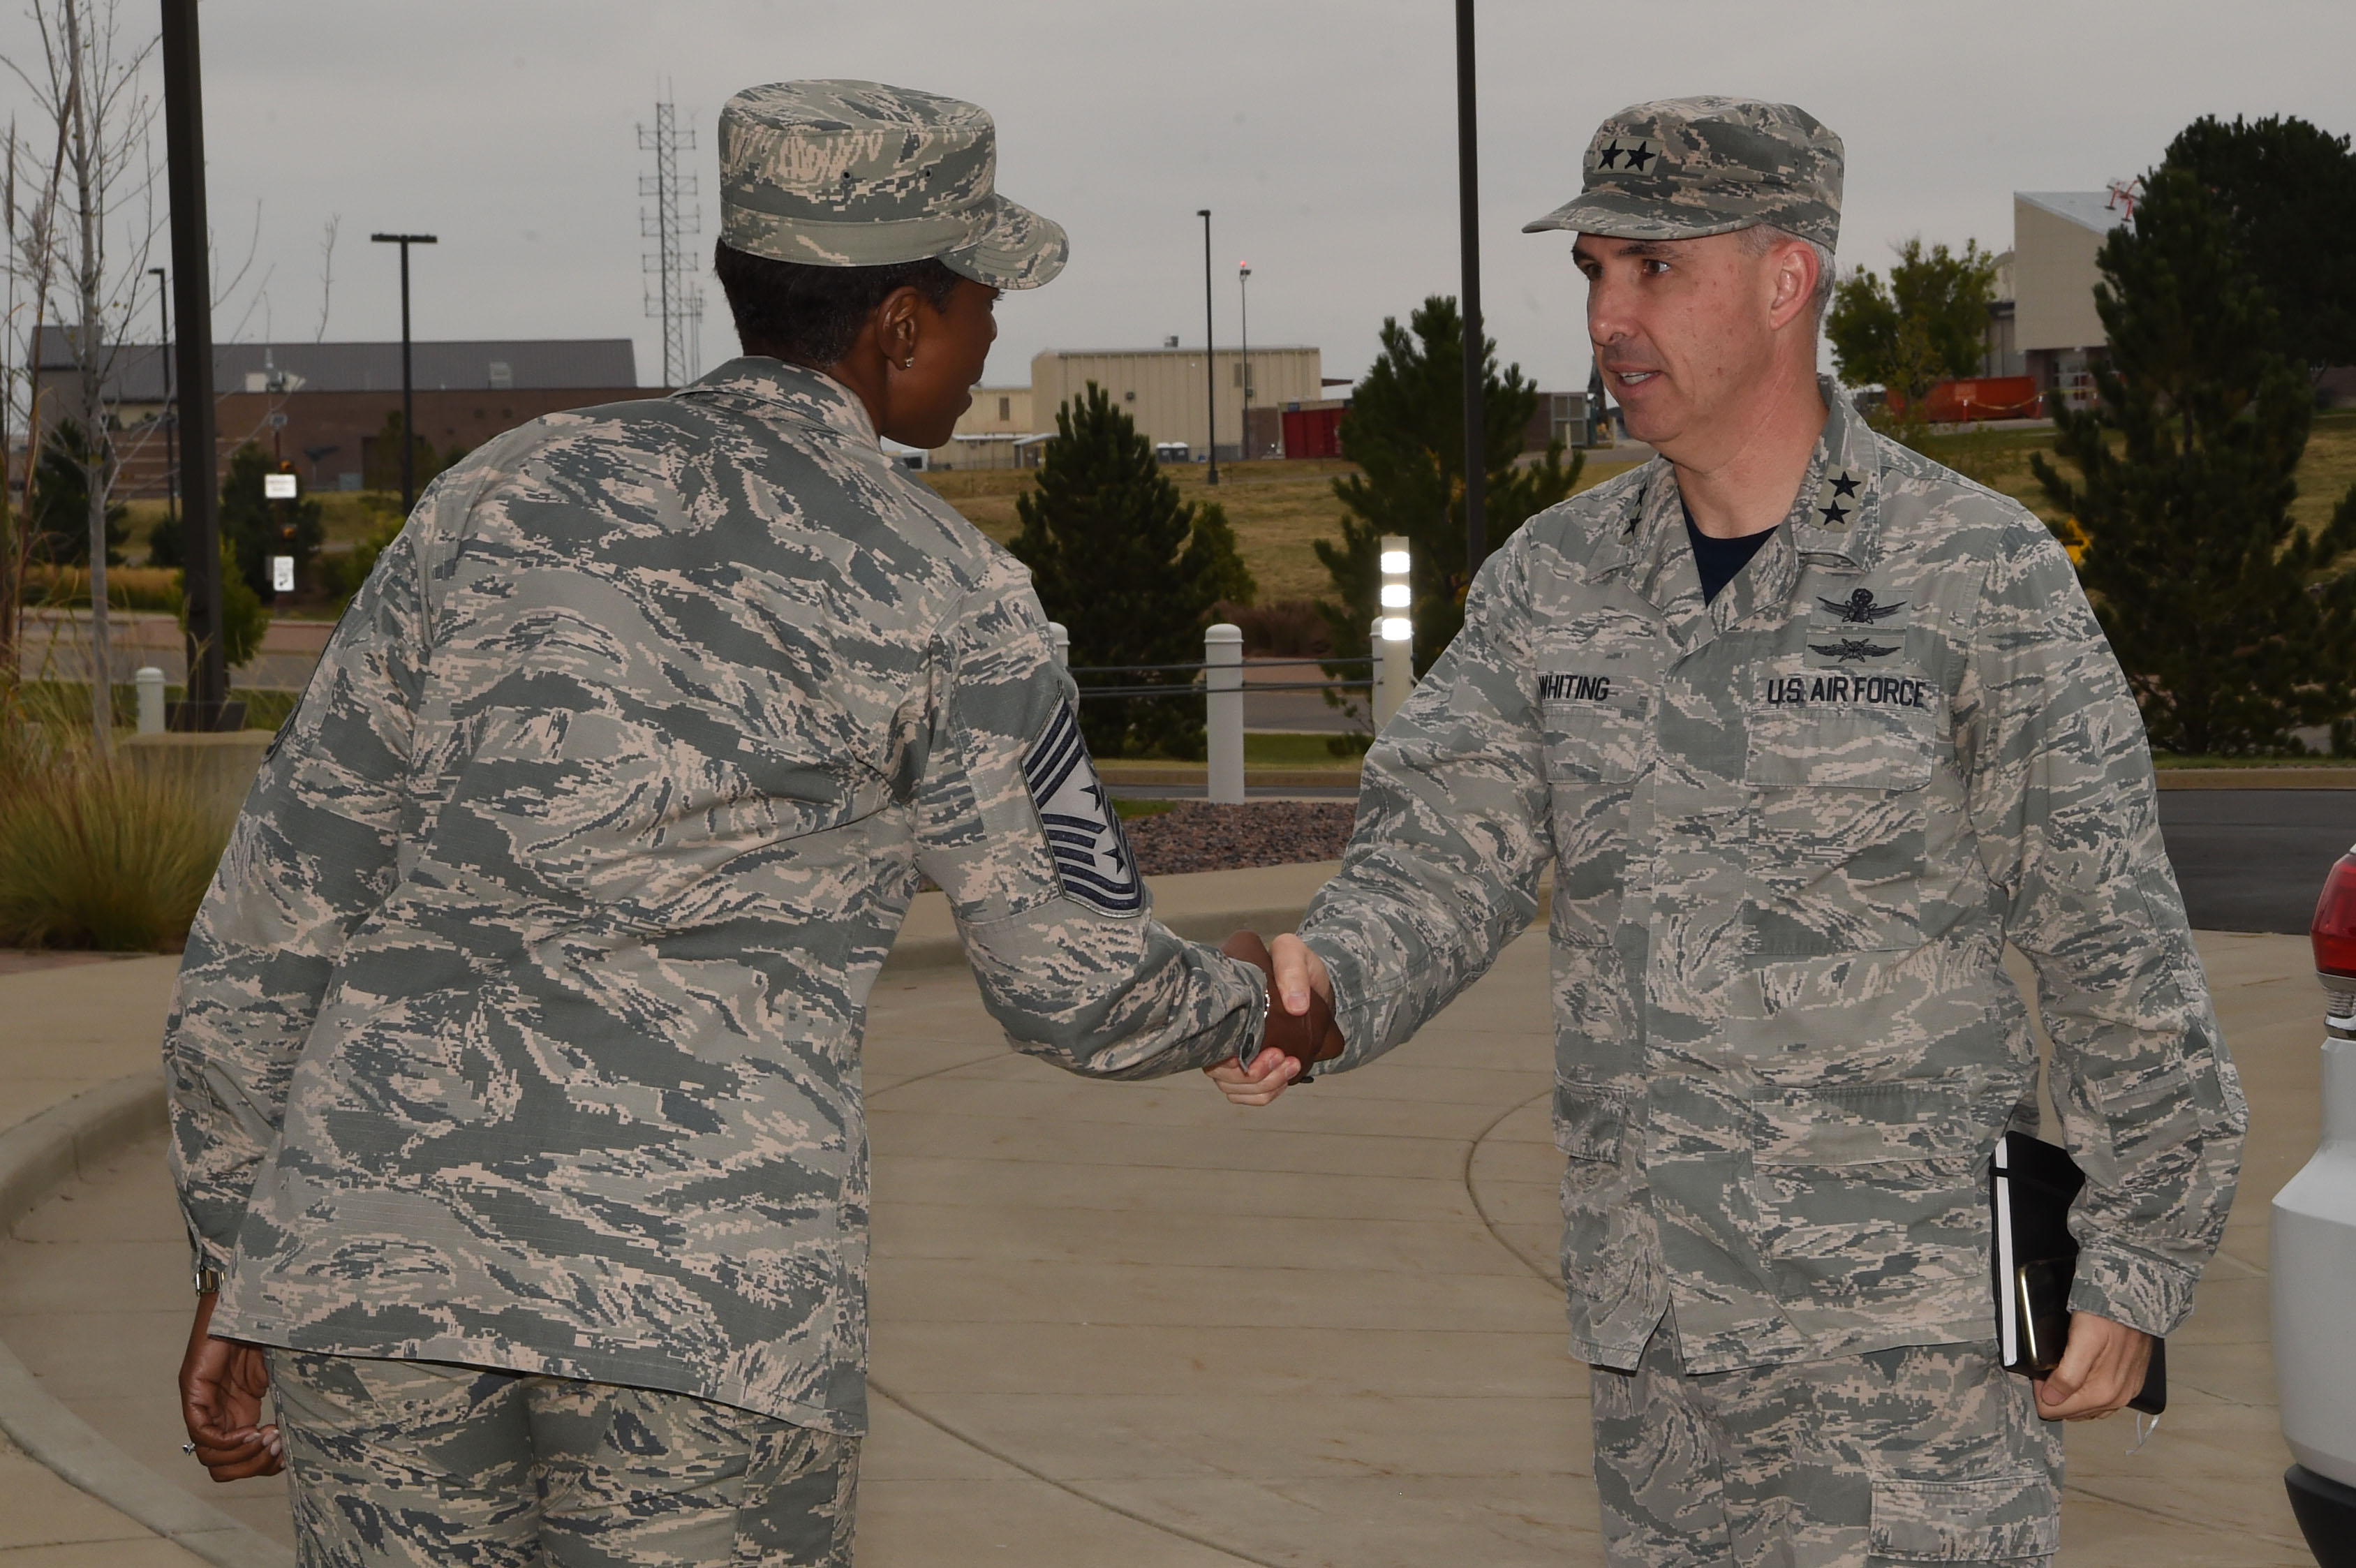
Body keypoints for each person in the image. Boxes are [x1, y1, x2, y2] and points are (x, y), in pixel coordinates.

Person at [167, 79, 1304, 1567]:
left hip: (375, 1277)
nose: (991, 340)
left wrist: (233, 1246)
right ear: (900, 324)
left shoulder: (489, 503)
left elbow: (273, 913)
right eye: (979, 302)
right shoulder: (951, 592)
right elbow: (1070, 977)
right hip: (705, 1310)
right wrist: (1261, 1011)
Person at [1210, 97, 2246, 1567]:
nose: (1608, 318)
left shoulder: (1972, 576)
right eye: (1591, 276)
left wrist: (2136, 1258)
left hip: (1908, 1363)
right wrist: (1319, 991)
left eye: (1651, 270)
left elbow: (2108, 940)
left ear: (1784, 278)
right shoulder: (1555, 579)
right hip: (1658, 1361)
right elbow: (1439, 845)